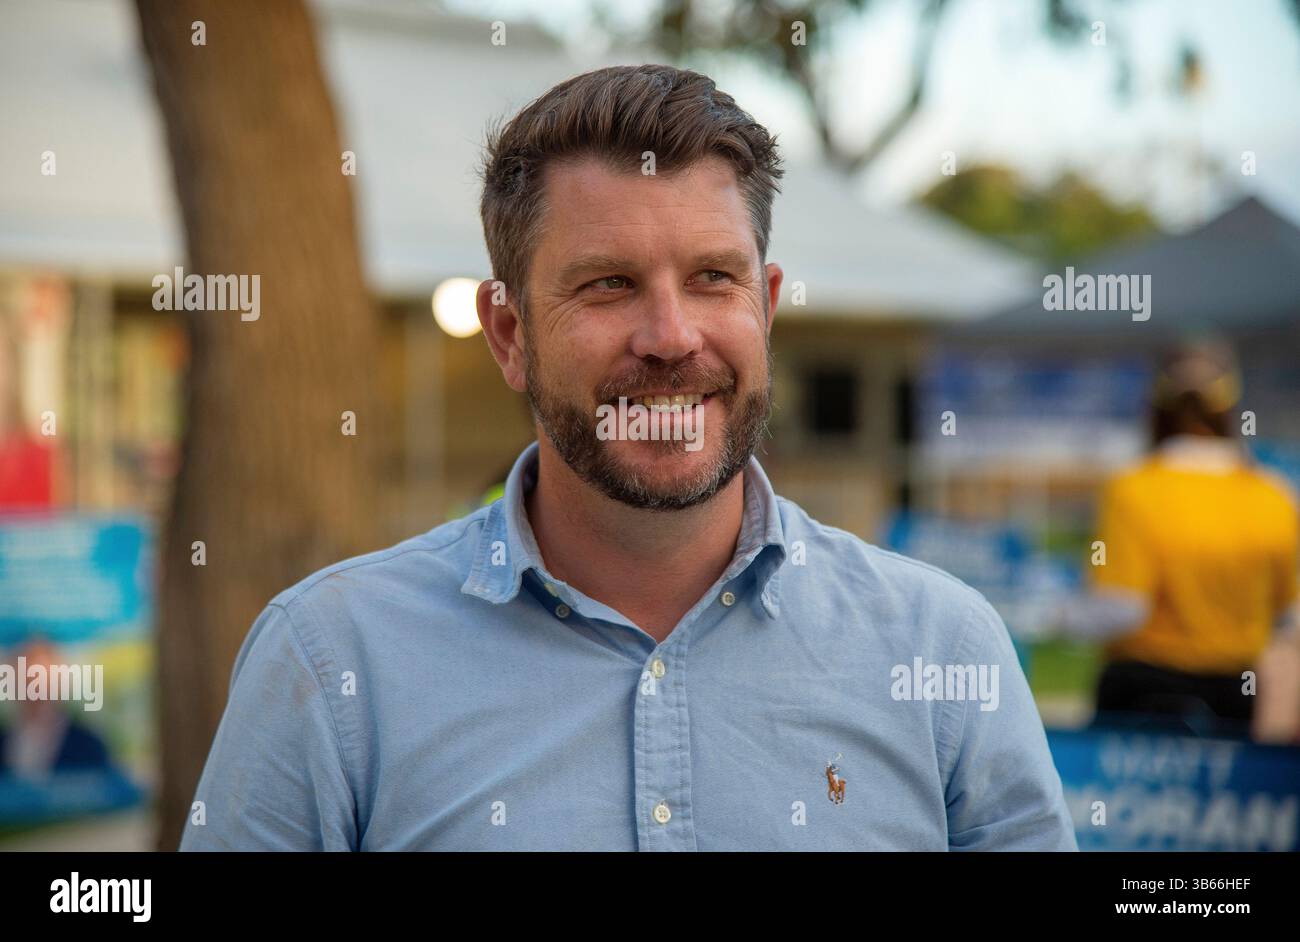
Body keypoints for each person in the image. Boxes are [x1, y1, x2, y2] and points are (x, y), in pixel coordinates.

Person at [180, 65, 1075, 851]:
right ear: (509, 334)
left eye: (712, 280)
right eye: (609, 284)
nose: (670, 336)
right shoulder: (331, 660)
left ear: (765, 306)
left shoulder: (944, 652)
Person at [1053, 342, 1299, 736]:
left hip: (1142, 692)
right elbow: (1291, 615)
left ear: (1157, 409)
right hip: (1238, 695)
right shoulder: (1273, 495)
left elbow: (1122, 608)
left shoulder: (1133, 489)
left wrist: (1056, 617)